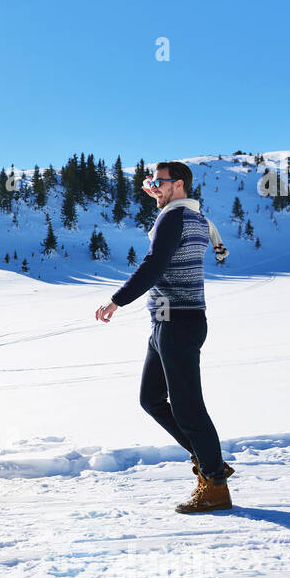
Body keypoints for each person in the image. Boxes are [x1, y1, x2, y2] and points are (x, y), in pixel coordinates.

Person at [94, 161, 235, 513]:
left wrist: (117, 300)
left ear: (180, 184)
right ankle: (209, 459)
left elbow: (155, 263)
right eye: (151, 181)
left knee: (188, 407)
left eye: (161, 182)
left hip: (178, 321)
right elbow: (167, 238)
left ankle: (215, 483)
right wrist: (159, 194)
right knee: (151, 399)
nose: (154, 186)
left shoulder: (174, 218)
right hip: (166, 321)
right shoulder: (190, 216)